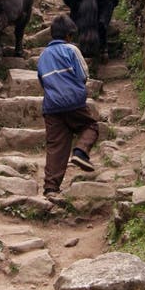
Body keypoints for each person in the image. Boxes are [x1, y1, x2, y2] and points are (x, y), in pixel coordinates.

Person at [37, 14, 99, 203]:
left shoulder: (43, 55)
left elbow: (42, 79)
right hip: (74, 102)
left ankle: (51, 188)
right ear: (69, 35)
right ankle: (80, 151)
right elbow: (83, 74)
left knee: (56, 145)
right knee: (91, 127)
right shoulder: (71, 50)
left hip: (51, 106)